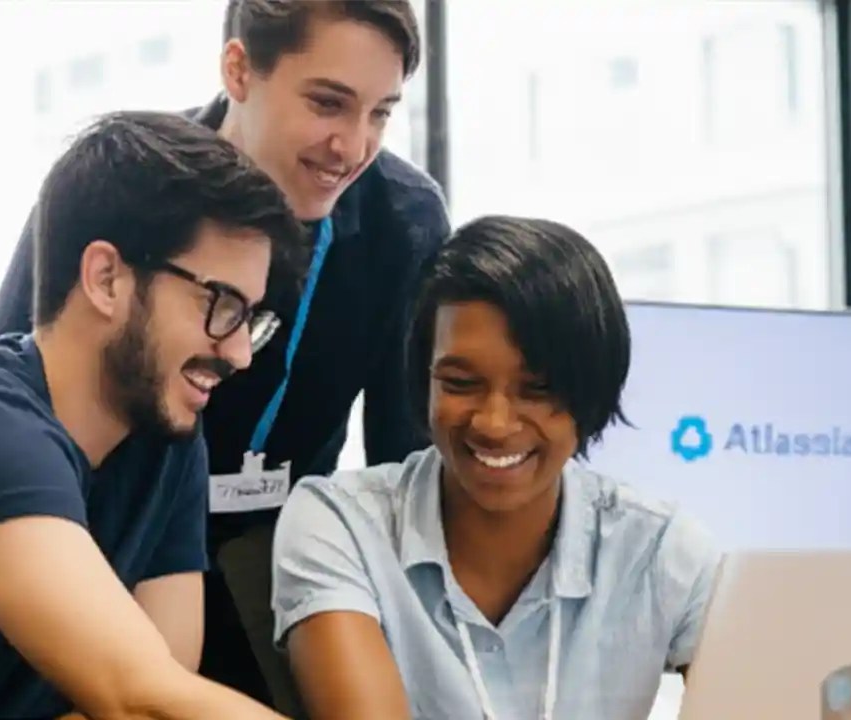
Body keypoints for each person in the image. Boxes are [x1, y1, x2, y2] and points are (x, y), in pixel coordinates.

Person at [0, 1, 450, 704]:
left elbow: (404, 460)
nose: (351, 147)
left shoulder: (404, 221)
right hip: (106, 534)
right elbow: (10, 401)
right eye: (328, 103)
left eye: (381, 114)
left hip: (281, 553)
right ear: (239, 69)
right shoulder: (127, 189)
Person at [0, 111, 303, 719]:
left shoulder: (168, 441)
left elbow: (156, 688)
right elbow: (143, 701)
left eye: (250, 319)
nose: (239, 352)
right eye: (220, 304)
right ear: (106, 278)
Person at [271, 215, 723, 719]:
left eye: (537, 390)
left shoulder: (661, 550)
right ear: (424, 383)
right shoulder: (342, 526)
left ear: (593, 391)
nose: (494, 423)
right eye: (461, 384)